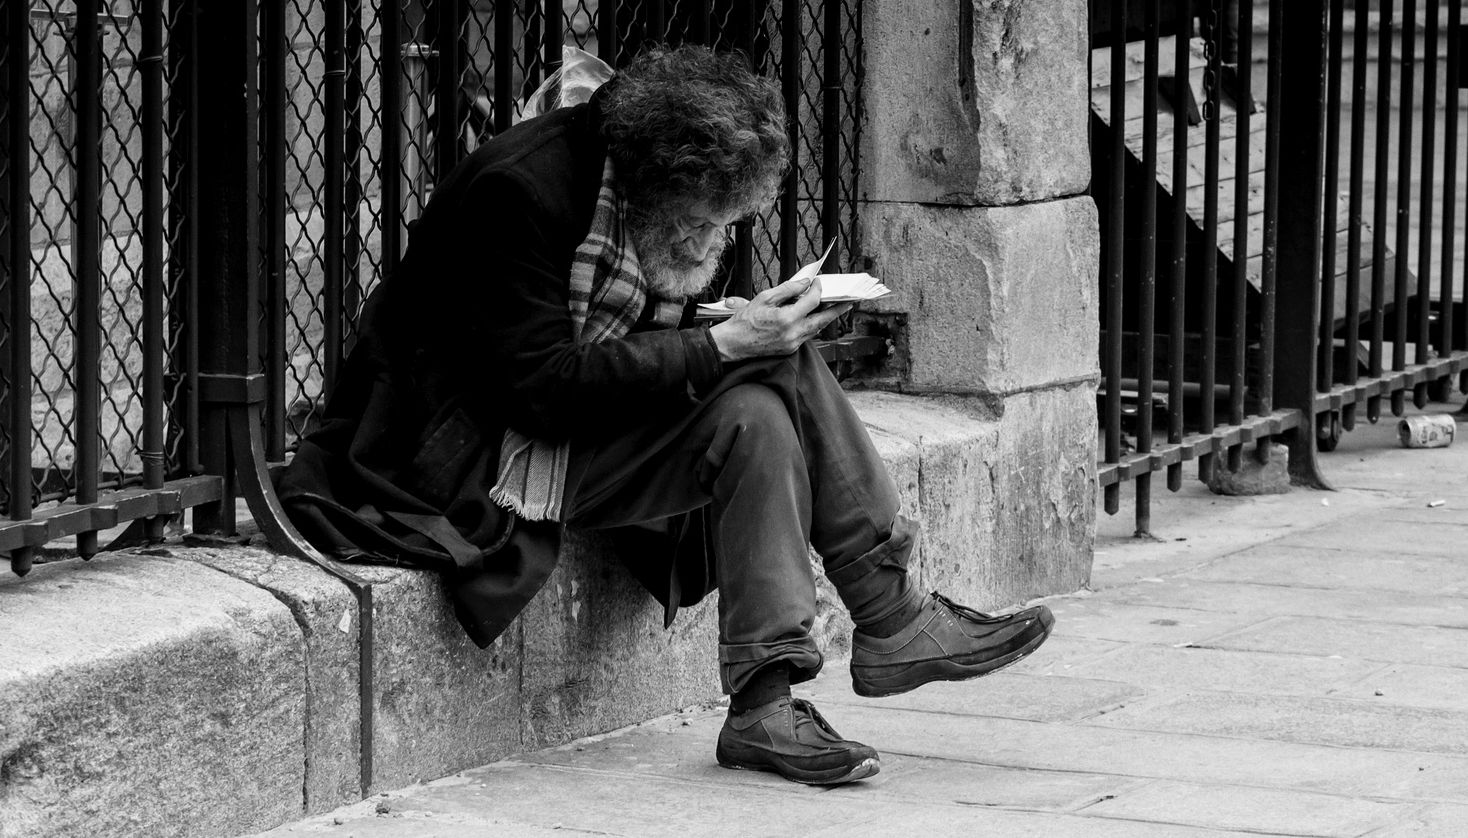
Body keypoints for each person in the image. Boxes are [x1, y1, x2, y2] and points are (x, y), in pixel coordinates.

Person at [278, 44, 1054, 786]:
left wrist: (726, 334)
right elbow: (541, 388)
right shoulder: (519, 191)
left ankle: (763, 704)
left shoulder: (626, 182)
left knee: (754, 413)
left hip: (548, 431)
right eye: (705, 217)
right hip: (458, 456)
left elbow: (619, 346)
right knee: (765, 363)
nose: (716, 234)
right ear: (657, 181)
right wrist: (722, 343)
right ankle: (890, 612)